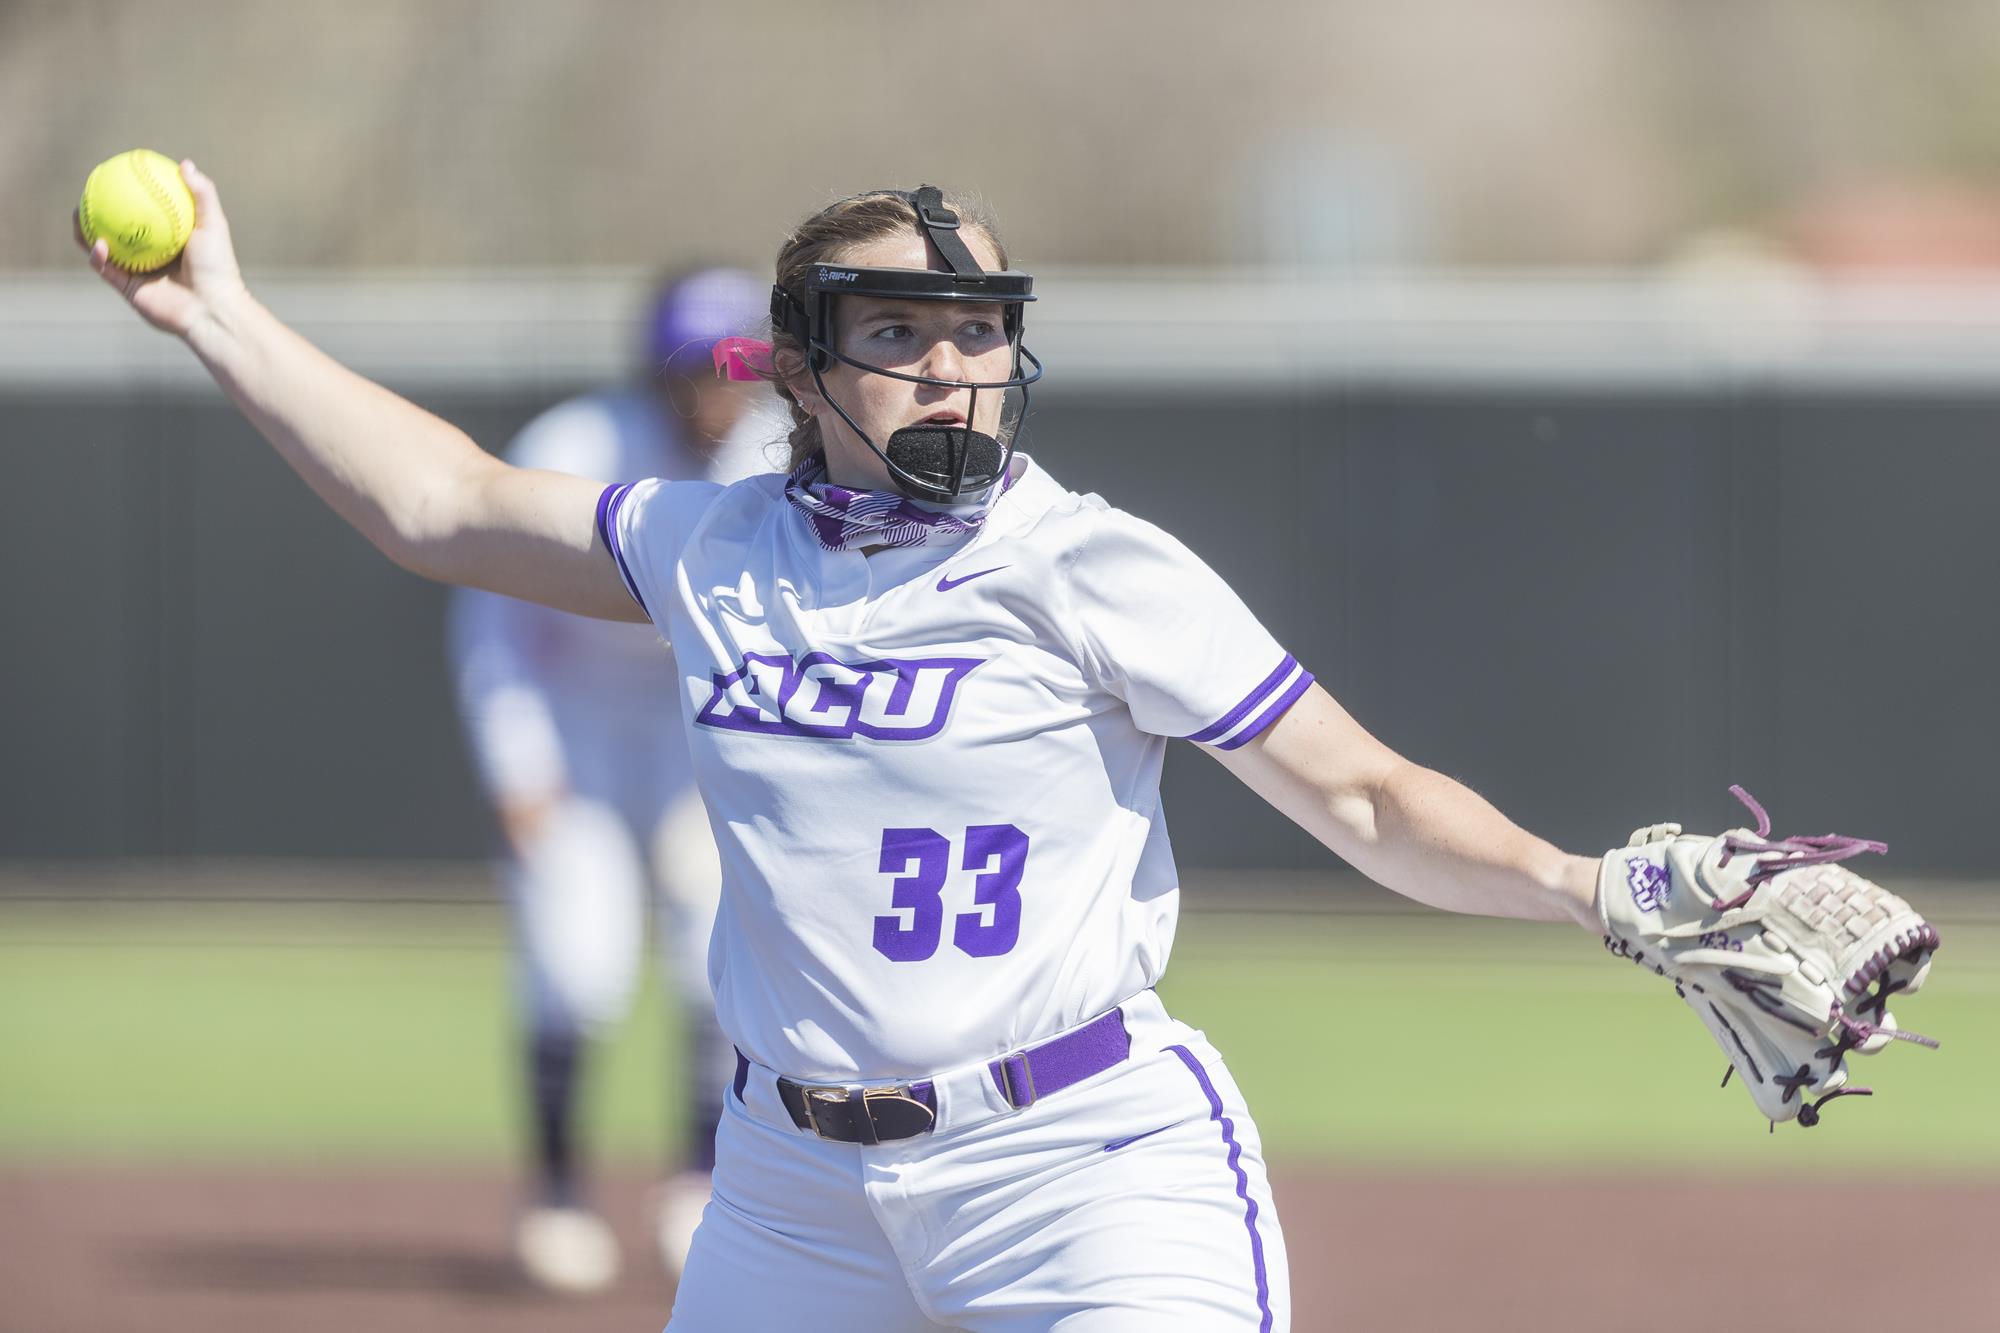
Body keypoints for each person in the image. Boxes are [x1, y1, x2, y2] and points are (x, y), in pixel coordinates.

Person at [78, 166, 1932, 1331]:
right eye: (900, 331)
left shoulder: (1087, 564)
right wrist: (220, 315)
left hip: (1084, 1167)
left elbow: (1365, 791)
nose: (953, 367)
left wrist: (1588, 885)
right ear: (795, 365)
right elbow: (439, 503)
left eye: (977, 334)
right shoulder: (713, 547)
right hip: (789, 1192)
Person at [445, 268, 772, 1292]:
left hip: (696, 726)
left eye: (739, 367)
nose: (722, 390)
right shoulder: (576, 445)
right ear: (657, 372)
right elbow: (493, 618)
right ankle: (555, 1193)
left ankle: (698, 1184)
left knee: (716, 960)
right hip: (576, 719)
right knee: (574, 960)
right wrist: (518, 759)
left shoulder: (779, 450)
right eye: (702, 369)